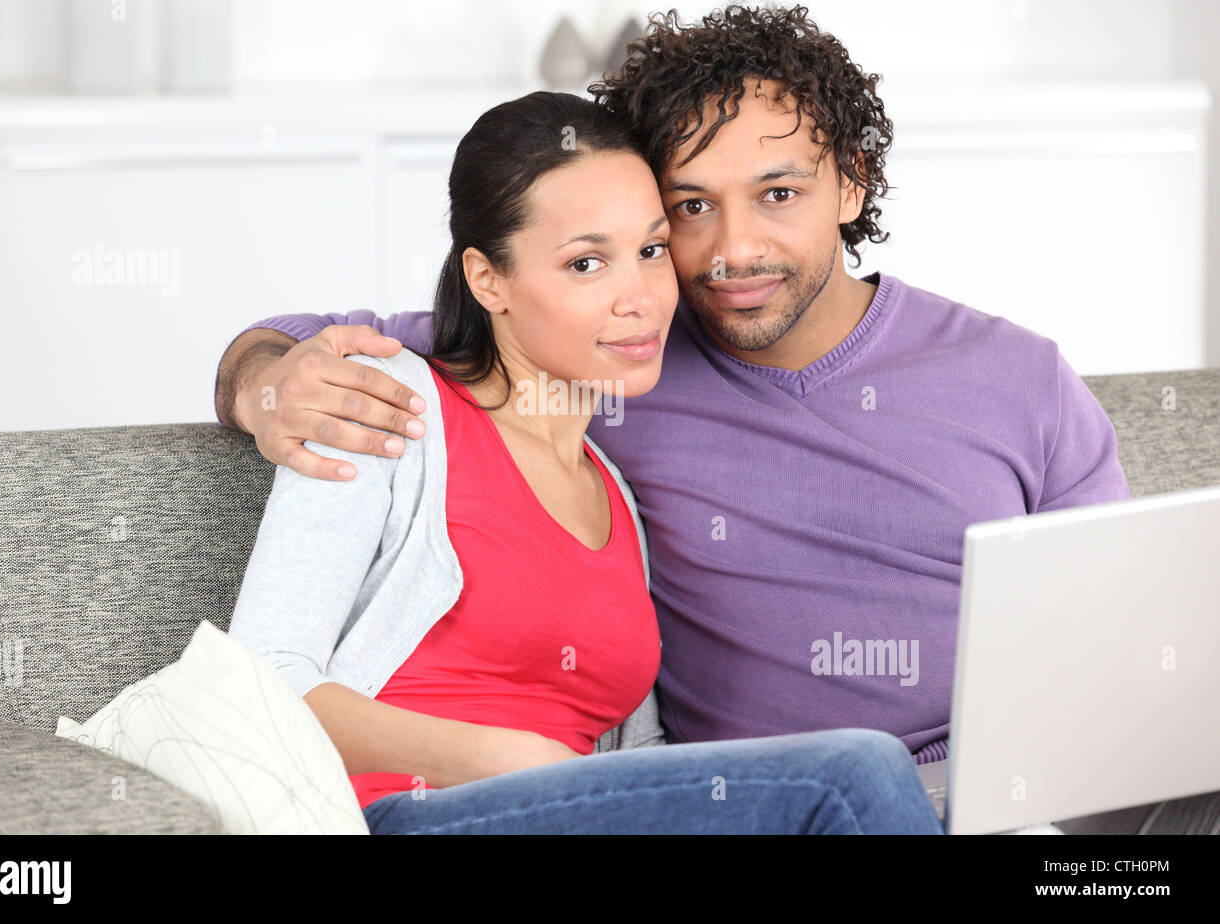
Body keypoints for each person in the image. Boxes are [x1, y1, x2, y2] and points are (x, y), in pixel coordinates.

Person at [218, 4, 1217, 834]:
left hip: (1001, 805)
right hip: (780, 804)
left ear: (852, 183)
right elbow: (349, 340)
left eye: (777, 194)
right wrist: (266, 386)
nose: (729, 249)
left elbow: (1120, 666)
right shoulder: (605, 360)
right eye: (690, 209)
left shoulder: (1017, 380)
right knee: (860, 776)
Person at [227, 89, 945, 834]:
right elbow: (261, 683)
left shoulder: (619, 499)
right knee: (854, 774)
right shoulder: (386, 406)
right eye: (586, 263)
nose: (639, 297)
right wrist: (504, 759)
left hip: (581, 817)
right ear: (487, 280)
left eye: (652, 250)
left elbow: (642, 764)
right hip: (404, 816)